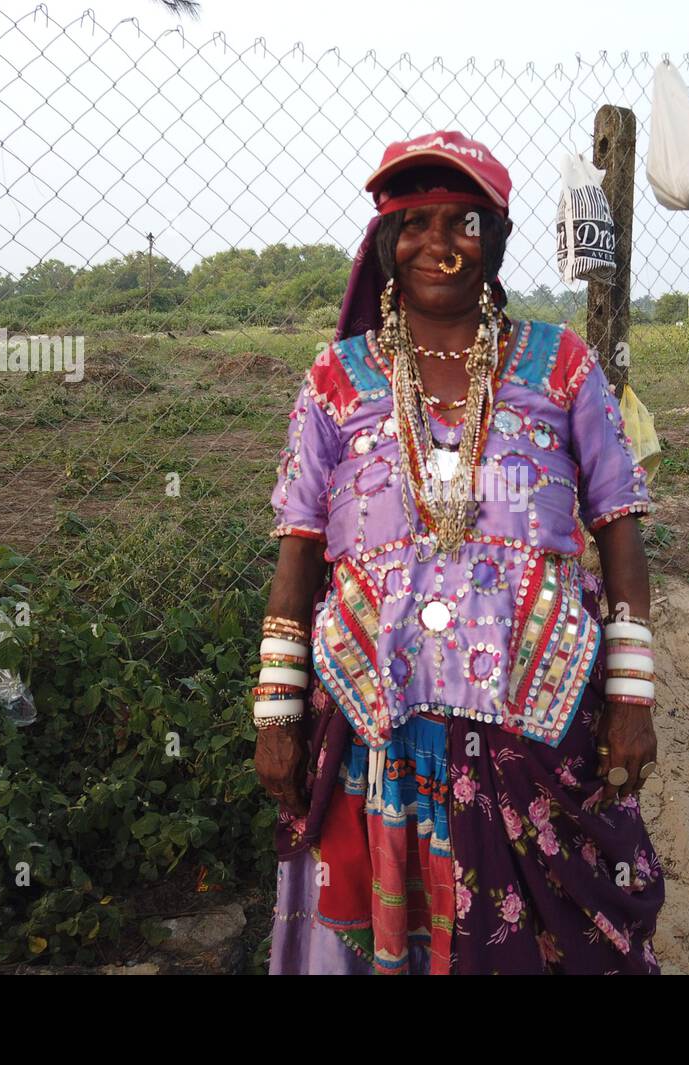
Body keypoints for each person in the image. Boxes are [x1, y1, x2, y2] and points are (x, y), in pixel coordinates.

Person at [254, 130, 663, 974]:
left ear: (496, 239)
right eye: (416, 223)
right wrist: (275, 715)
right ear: (385, 243)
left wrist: (631, 697)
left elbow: (619, 526)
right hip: (377, 723)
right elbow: (298, 554)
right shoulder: (335, 379)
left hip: (535, 723)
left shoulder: (562, 367)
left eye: (464, 223)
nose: (439, 244)